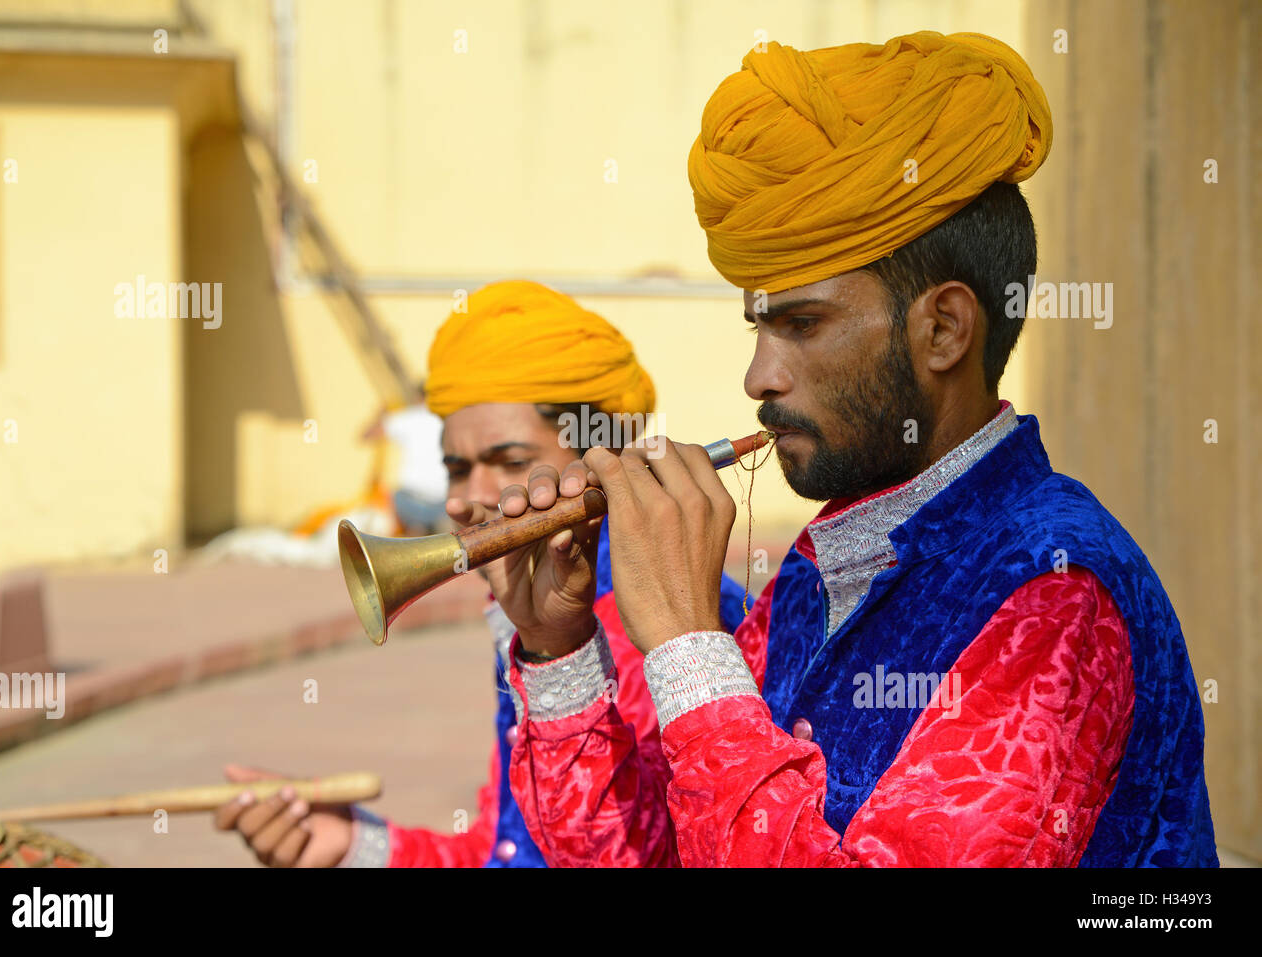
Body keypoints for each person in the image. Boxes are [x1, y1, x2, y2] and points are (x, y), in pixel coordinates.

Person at [496, 33, 1217, 866]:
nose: (759, 375)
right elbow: (663, 851)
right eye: (760, 326)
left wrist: (692, 649)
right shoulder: (821, 568)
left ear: (942, 328)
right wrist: (557, 646)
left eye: (802, 324)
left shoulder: (1055, 589)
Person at [213, 280, 750, 867]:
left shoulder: (666, 621)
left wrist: (558, 651)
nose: (475, 496)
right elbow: (511, 847)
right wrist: (356, 846)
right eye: (457, 468)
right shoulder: (530, 615)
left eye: (513, 462)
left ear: (604, 462)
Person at [361, 383, 448, 536]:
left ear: (418, 397)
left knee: (412, 543)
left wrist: (382, 414)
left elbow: (366, 435)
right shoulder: (446, 416)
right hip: (444, 499)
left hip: (411, 497)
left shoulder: (408, 417)